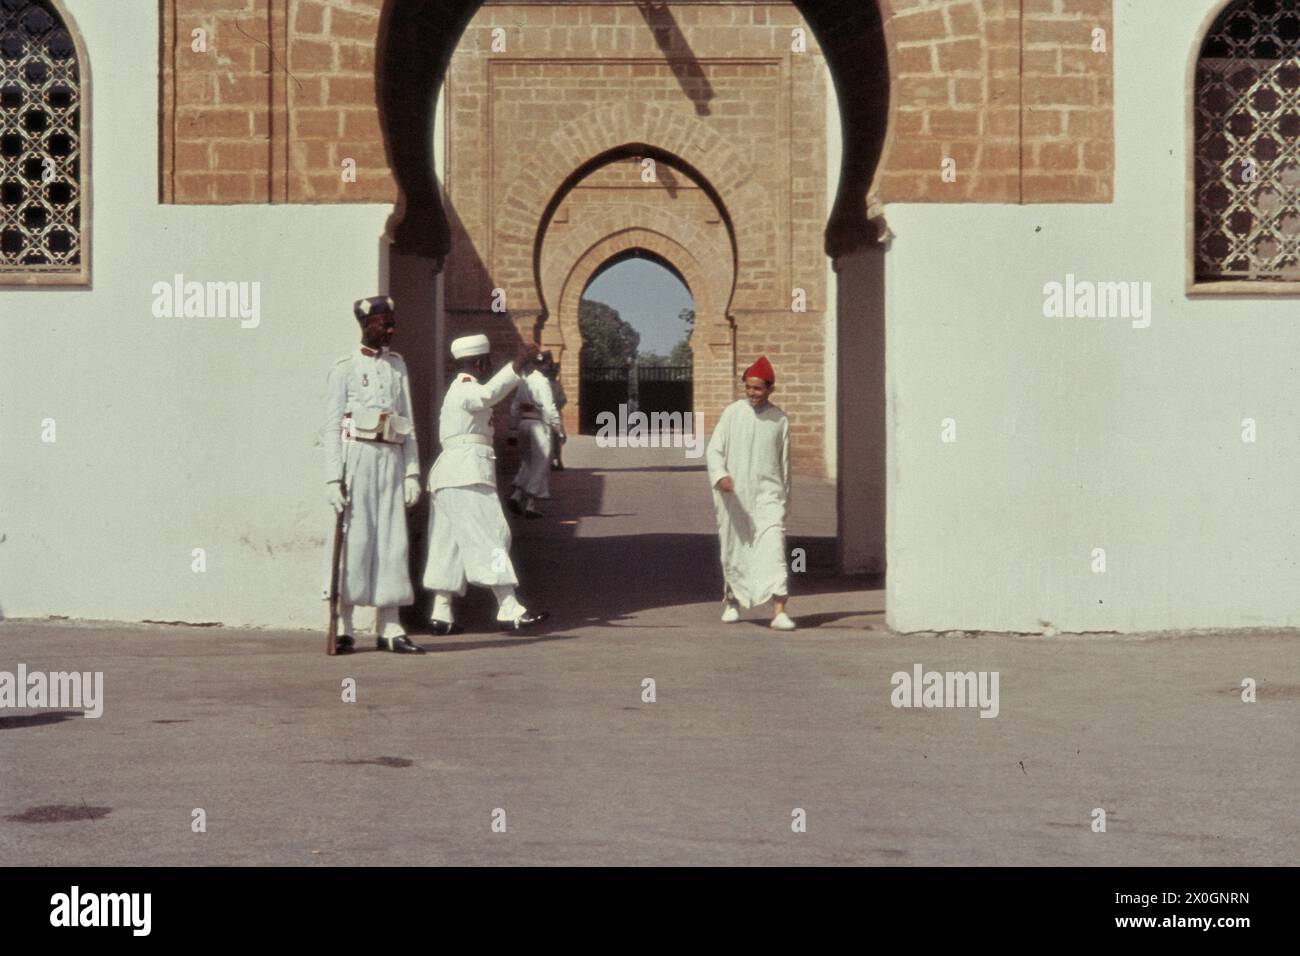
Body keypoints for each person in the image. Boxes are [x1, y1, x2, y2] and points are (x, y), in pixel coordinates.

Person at [423, 334, 550, 634]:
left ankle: (441, 614)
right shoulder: (466, 389)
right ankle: (509, 607)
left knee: (450, 543)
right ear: (480, 363)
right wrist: (516, 366)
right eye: (487, 362)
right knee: (492, 536)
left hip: (450, 476)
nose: (489, 367)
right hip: (467, 474)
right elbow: (487, 396)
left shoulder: (459, 390)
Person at [322, 296, 424, 654]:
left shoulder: (398, 366)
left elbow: (407, 422)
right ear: (367, 324)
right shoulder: (344, 367)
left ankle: (391, 625)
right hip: (358, 458)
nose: (391, 329)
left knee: (393, 541)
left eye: (393, 322)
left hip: (391, 458)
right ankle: (345, 625)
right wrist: (333, 479)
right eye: (385, 323)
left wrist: (412, 472)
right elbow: (332, 426)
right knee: (357, 539)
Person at [705, 355, 795, 631]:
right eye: (748, 388)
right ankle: (732, 600)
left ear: (770, 389)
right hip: (736, 498)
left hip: (768, 498)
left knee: (773, 550)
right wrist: (721, 476)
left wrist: (783, 500)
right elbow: (714, 450)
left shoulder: (780, 420)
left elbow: (785, 465)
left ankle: (779, 611)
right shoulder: (733, 413)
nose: (752, 393)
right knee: (736, 550)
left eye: (758, 388)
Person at [507, 350, 563, 518]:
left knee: (528, 462)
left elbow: (514, 407)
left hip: (524, 423)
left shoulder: (525, 382)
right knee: (540, 463)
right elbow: (548, 406)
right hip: (538, 425)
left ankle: (516, 495)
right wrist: (557, 428)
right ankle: (530, 504)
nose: (547, 367)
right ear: (544, 365)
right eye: (546, 364)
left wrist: (513, 429)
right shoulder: (543, 382)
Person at [547, 356, 568, 471]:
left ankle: (556, 461)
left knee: (554, 439)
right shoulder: (555, 384)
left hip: (550, 415)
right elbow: (563, 400)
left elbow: (563, 400)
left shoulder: (553, 384)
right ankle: (556, 461)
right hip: (553, 415)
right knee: (555, 439)